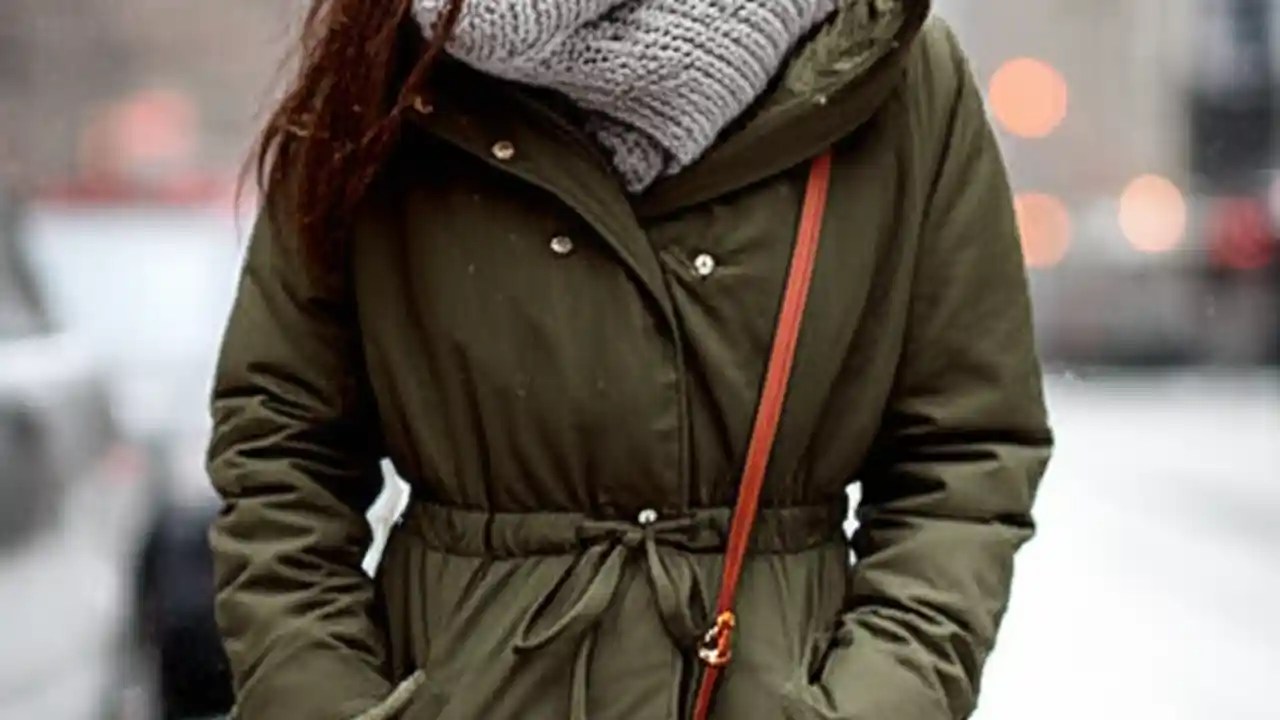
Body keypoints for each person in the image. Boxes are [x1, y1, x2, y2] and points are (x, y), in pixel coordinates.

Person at [207, 0, 1053, 718]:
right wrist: (327, 699)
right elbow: (281, 450)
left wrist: (874, 701)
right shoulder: (391, 56)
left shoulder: (882, 65)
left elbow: (963, 456)